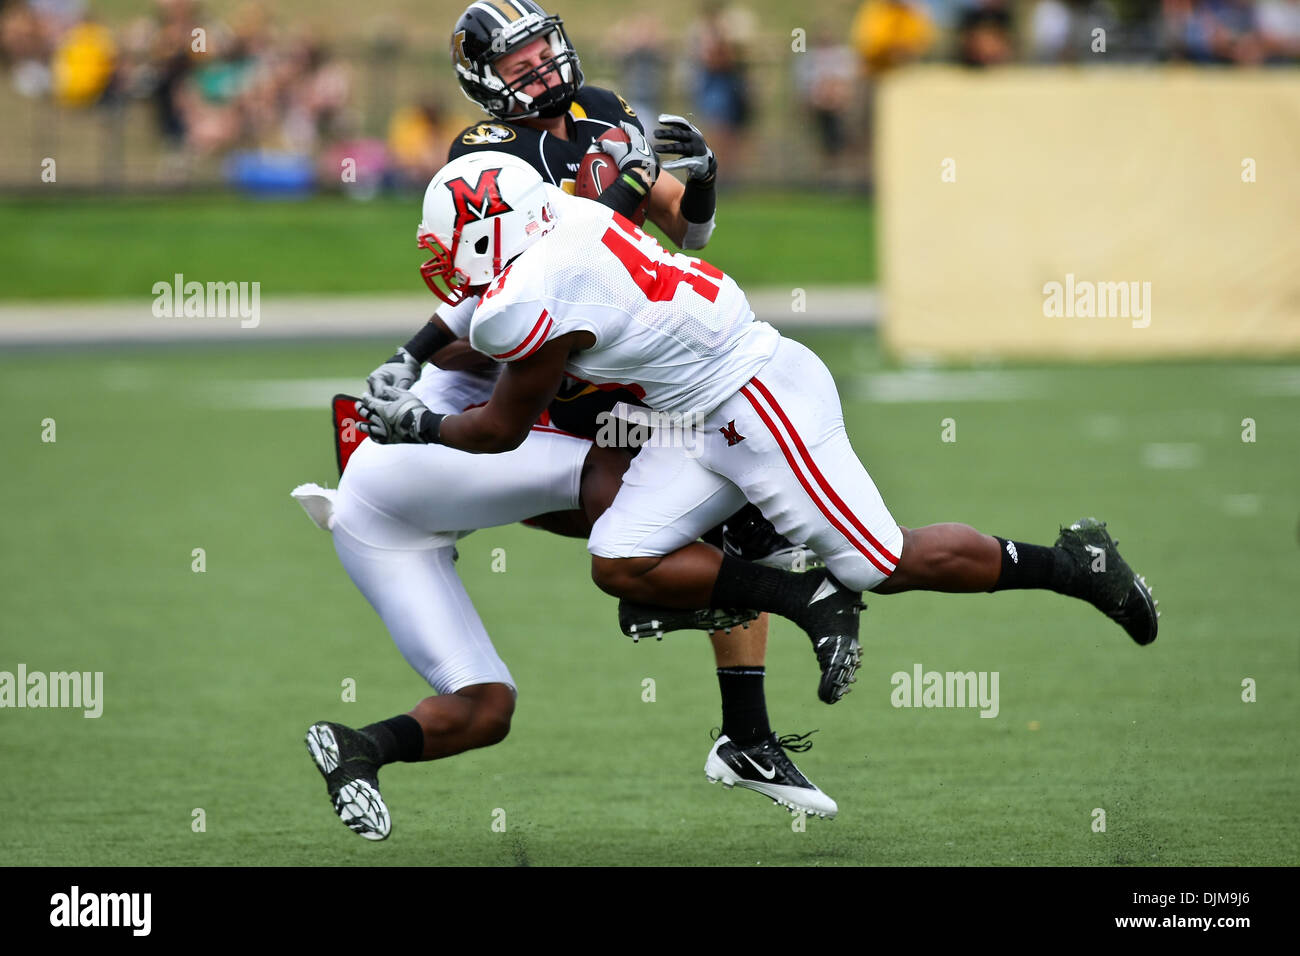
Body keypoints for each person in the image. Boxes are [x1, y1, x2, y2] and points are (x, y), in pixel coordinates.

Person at [355, 151, 1161, 796]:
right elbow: (482, 291)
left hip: (757, 393)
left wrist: (412, 420)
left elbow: (497, 430)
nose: (446, 272)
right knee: (620, 559)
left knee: (879, 562)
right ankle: (802, 597)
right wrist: (410, 355)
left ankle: (1076, 564)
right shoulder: (560, 215)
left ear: (494, 233)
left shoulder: (524, 293)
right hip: (694, 412)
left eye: (453, 249)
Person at [333, 0, 837, 824]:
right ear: (479, 79)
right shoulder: (485, 155)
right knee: (681, 494)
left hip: (604, 348)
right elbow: (505, 295)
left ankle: (743, 724)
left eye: (540, 49)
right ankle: (671, 607)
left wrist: (698, 179)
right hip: (528, 362)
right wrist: (416, 356)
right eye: (514, 59)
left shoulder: (604, 109)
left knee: (735, 505)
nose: (536, 67)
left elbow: (686, 227)